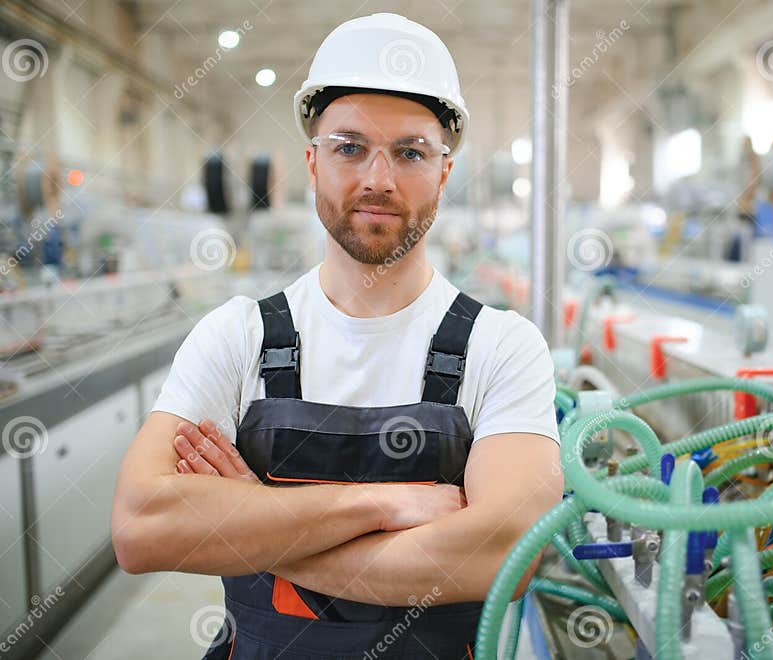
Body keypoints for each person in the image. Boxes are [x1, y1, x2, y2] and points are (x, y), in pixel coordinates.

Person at [110, 13, 562, 659]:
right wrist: (381, 503)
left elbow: (508, 555)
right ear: (312, 163)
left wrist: (256, 519)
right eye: (349, 147)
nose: (378, 178)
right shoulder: (238, 336)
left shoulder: (501, 347)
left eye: (410, 152)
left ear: (443, 172)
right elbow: (140, 526)